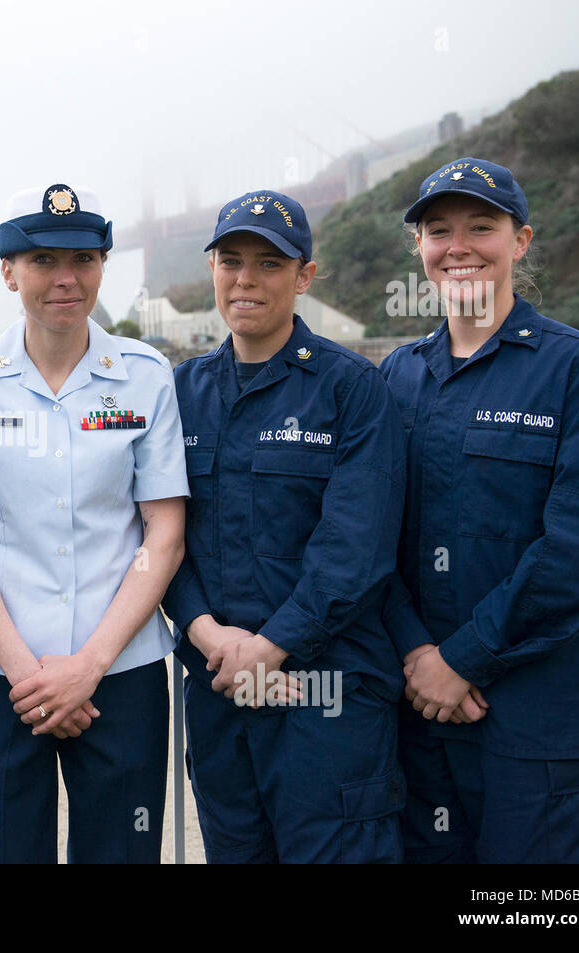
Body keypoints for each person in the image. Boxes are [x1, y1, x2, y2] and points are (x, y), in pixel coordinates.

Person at [0, 183, 188, 863]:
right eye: (42, 262)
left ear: (101, 266)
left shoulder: (146, 376)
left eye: (85, 259)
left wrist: (88, 666)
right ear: (9, 272)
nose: (66, 279)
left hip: (121, 669)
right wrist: (28, 675)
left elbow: (164, 536)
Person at [381, 157, 579, 863]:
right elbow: (371, 540)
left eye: (481, 227)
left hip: (542, 729)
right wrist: (417, 655)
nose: (458, 245)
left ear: (521, 241)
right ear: (420, 250)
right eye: (439, 230)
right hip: (422, 722)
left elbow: (578, 555)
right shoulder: (396, 377)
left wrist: (461, 660)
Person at [162, 191, 408, 863]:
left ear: (305, 275)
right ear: (212, 268)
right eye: (231, 260)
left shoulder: (351, 389)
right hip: (219, 693)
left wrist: (270, 648)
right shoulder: (180, 393)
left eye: (270, 263)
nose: (246, 280)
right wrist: (207, 634)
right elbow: (160, 536)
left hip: (324, 694)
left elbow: (355, 547)